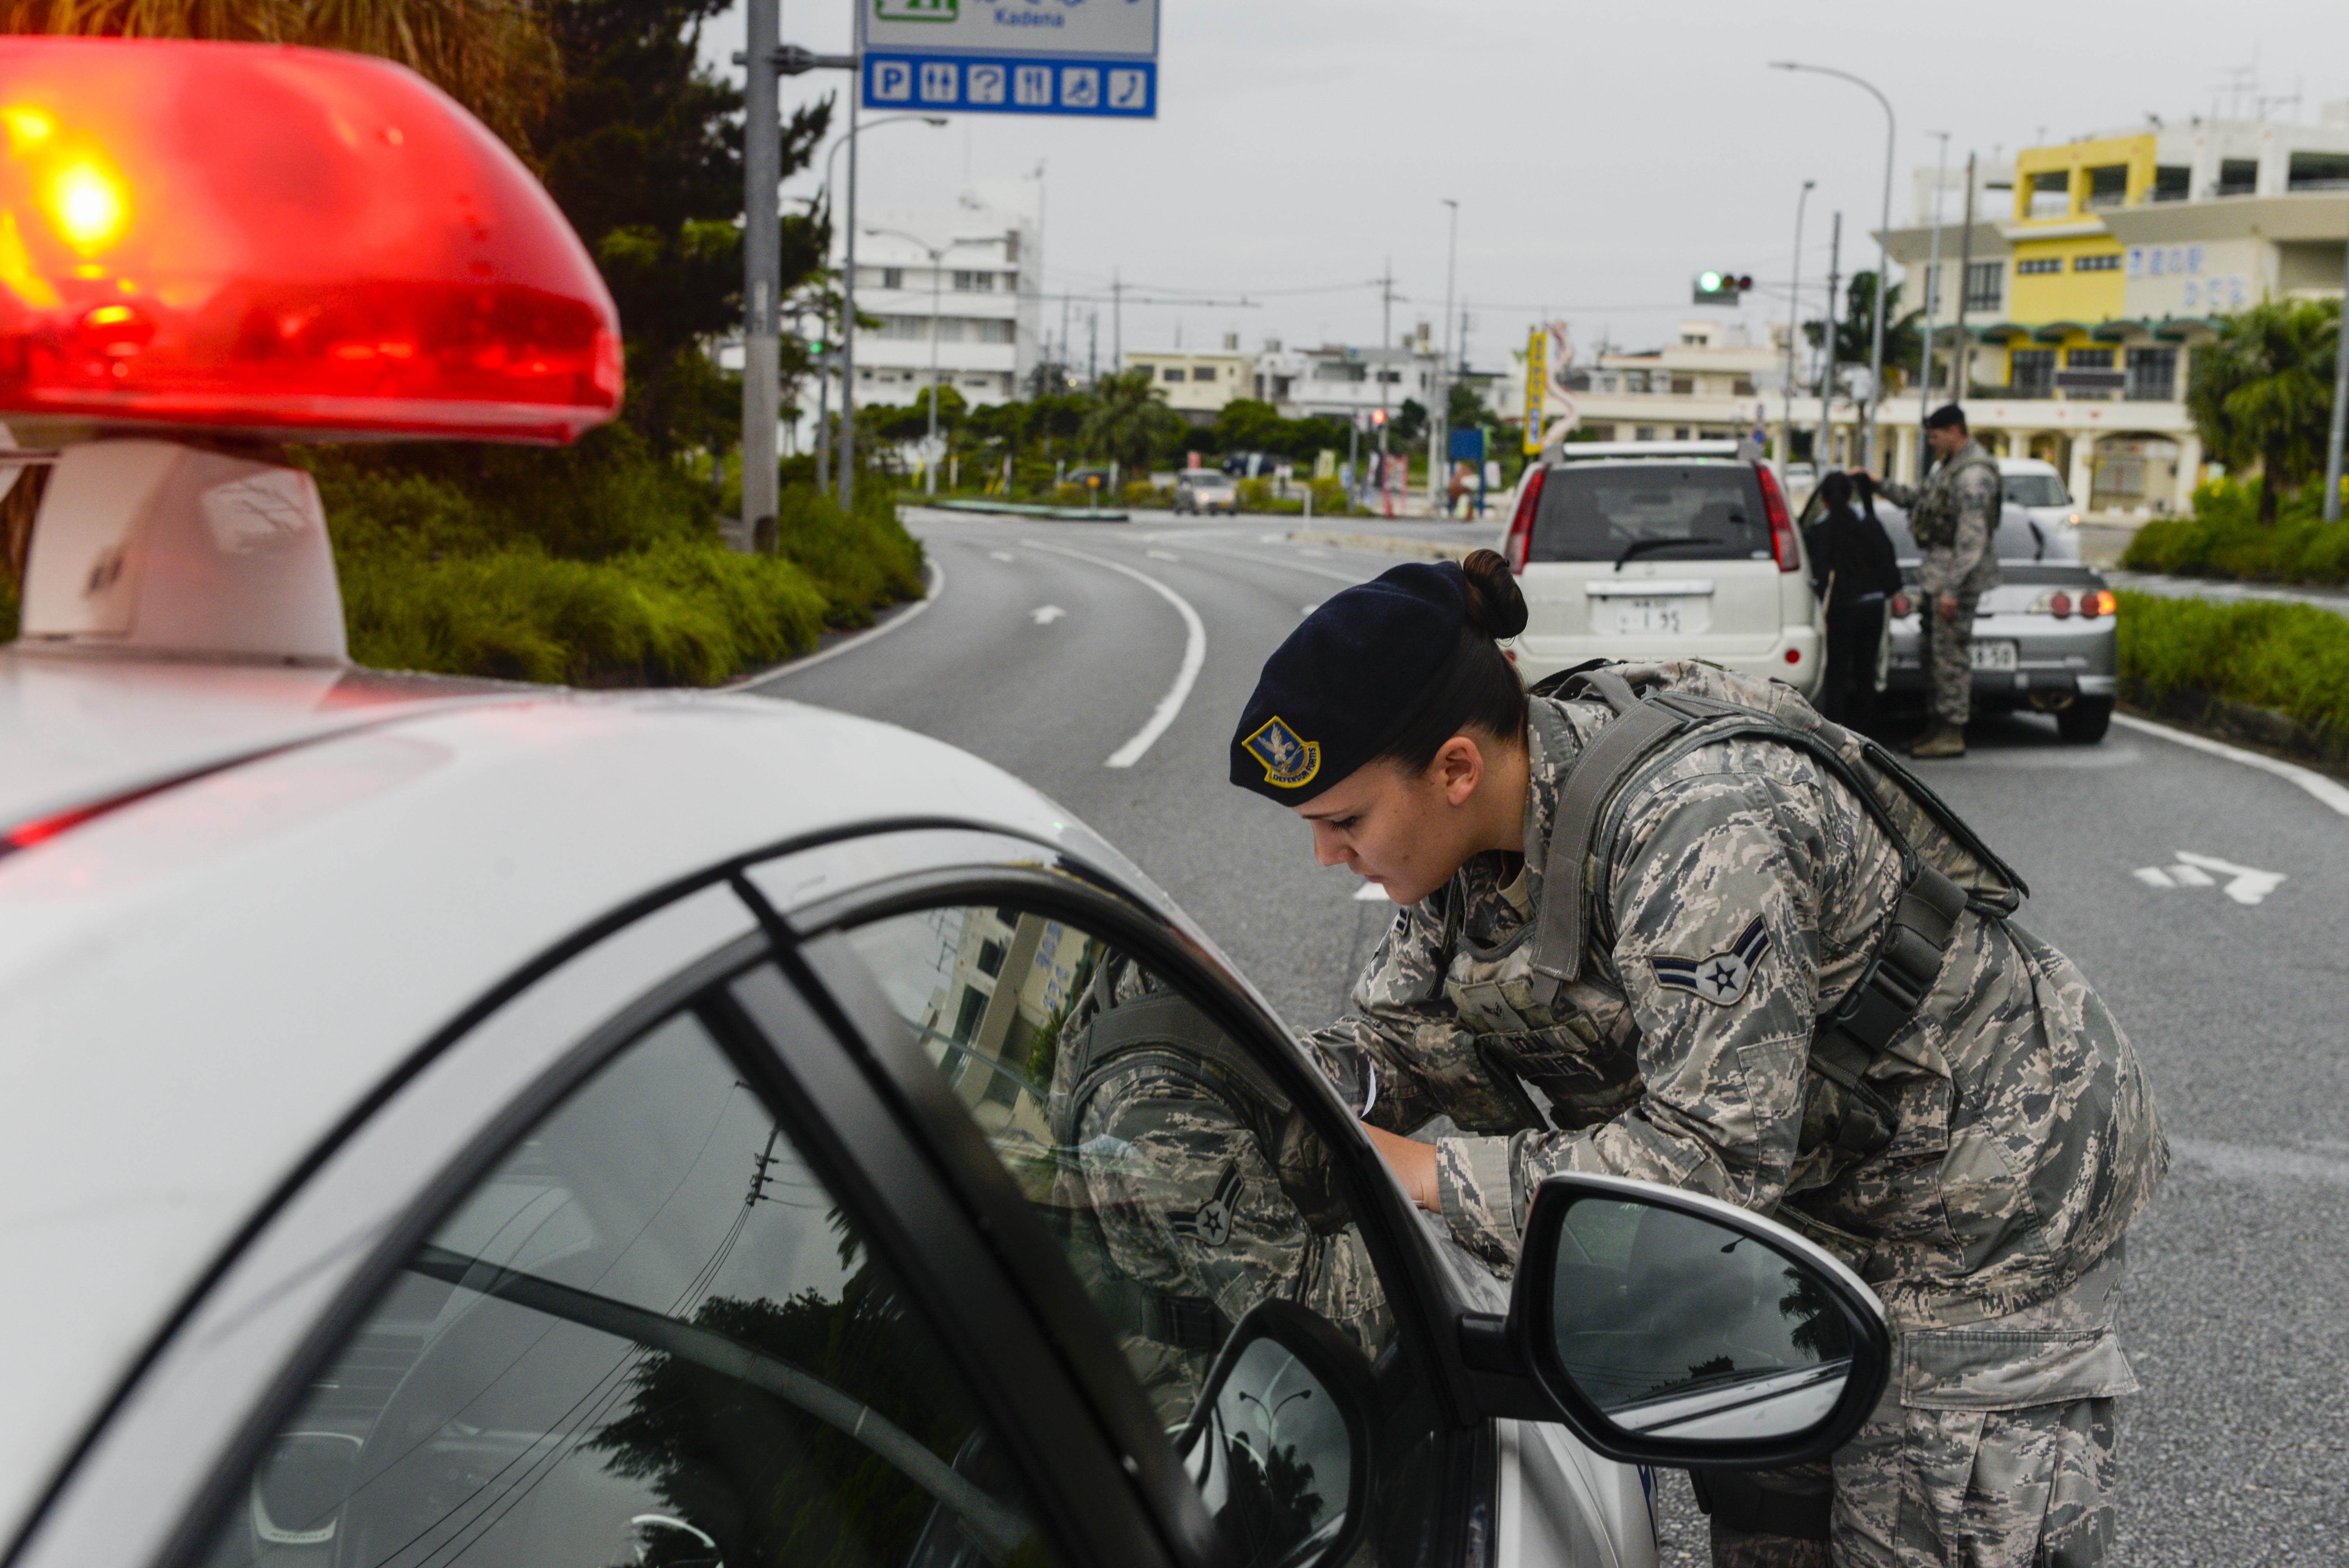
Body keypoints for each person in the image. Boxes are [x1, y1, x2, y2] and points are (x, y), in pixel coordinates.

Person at [1225, 550, 2167, 1568]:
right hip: (1804, 1186)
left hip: (1983, 1189)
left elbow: (1710, 1165)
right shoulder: (1471, 835)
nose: (1329, 858)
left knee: (1932, 1520)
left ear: (1456, 769)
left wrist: (1423, 1172)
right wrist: (1276, 1091)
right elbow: (1403, 1036)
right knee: (1772, 1512)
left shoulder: (1695, 826)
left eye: (1345, 823)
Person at [1859, 406, 2001, 759]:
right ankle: (1936, 726)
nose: (1933, 442)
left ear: (1956, 430)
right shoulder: (1948, 469)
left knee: (1950, 655)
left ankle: (1952, 731)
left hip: (1955, 579)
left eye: (1936, 435)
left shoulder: (1973, 476)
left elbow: (1972, 540)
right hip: (1938, 575)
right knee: (1933, 654)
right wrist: (1877, 485)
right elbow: (1915, 499)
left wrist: (1953, 590)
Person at [1802, 471, 1904, 728]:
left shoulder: (1821, 530)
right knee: (1865, 672)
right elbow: (1888, 562)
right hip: (1872, 608)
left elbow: (1819, 572)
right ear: (1850, 496)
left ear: (1823, 499)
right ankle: (1866, 731)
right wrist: (1894, 593)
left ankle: (1838, 731)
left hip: (1840, 610)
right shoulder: (1869, 523)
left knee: (1836, 673)